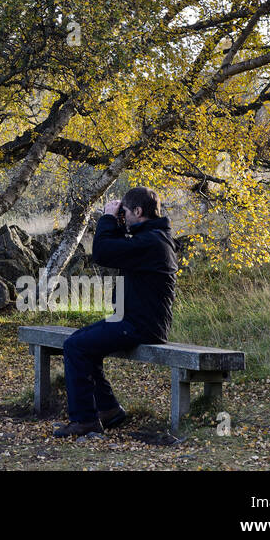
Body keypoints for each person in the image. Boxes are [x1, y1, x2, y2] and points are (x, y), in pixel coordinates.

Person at [52, 186, 177, 438]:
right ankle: (108, 410)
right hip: (135, 320)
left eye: (127, 212)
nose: (125, 216)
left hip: (140, 325)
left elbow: (103, 252)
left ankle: (85, 420)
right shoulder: (154, 237)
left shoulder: (152, 242)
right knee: (80, 343)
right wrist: (120, 224)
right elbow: (120, 248)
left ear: (138, 211)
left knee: (76, 346)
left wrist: (108, 218)